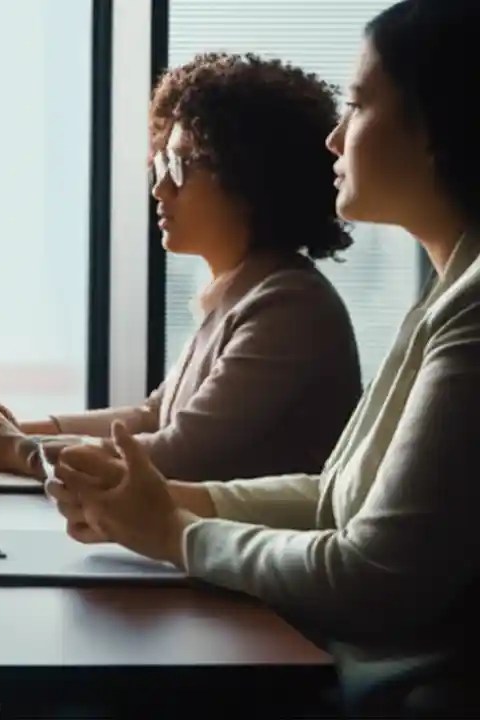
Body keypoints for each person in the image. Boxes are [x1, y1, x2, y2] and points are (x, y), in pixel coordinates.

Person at [50, 1, 480, 716]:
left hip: (379, 684)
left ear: (438, 125)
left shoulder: (453, 306)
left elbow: (370, 574)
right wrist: (163, 507)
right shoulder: (447, 291)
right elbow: (330, 497)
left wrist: (173, 531)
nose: (335, 138)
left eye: (360, 104)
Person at [0, 52, 362, 484]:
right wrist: (19, 430)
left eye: (180, 166)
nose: (160, 188)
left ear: (250, 176)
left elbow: (176, 453)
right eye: (162, 165)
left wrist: (13, 449)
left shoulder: (289, 309)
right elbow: (151, 416)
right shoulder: (244, 292)